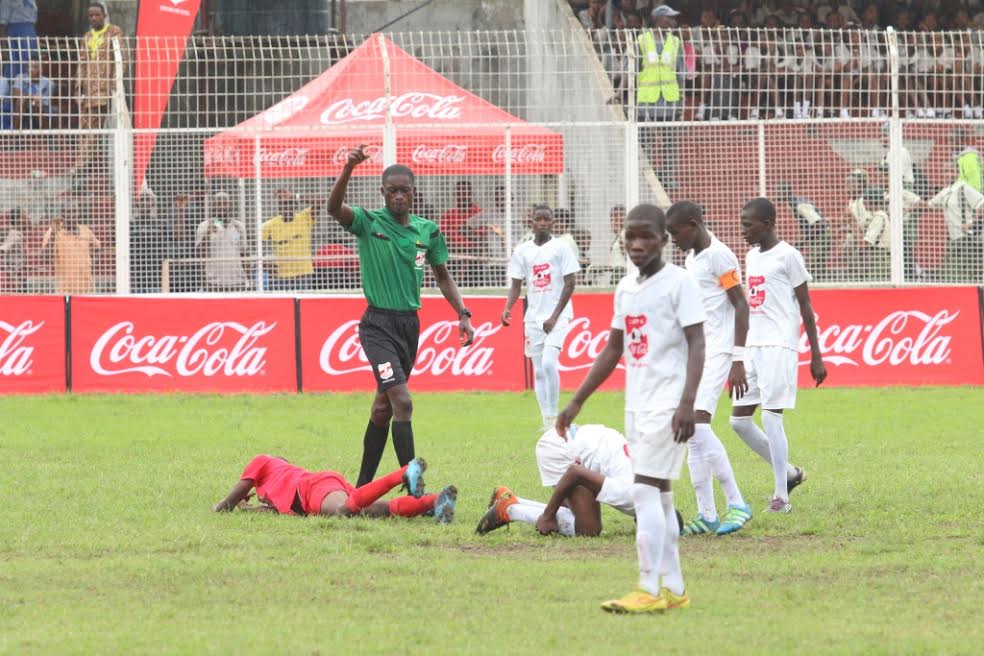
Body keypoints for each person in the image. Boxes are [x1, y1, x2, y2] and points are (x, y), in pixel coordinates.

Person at [557, 203, 705, 614]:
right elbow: (614, 348)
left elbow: (698, 342)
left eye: (647, 236)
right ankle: (674, 590)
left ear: (664, 238)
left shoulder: (680, 284)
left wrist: (688, 402)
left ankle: (648, 588)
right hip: (638, 407)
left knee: (642, 493)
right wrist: (576, 400)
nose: (637, 244)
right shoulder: (626, 288)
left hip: (669, 405)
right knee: (657, 499)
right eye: (631, 236)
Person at [327, 146, 474, 488]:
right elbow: (333, 209)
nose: (397, 195)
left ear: (413, 192)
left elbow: (442, 275)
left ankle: (361, 489)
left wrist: (462, 313)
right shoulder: (369, 223)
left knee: (382, 408)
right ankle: (415, 488)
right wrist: (349, 167)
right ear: (382, 192)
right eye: (390, 190)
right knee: (402, 402)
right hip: (377, 325)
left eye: (403, 189)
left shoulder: (428, 232)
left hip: (409, 327)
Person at [730, 197, 825, 514]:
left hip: (779, 347)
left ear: (767, 224)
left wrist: (816, 356)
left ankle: (781, 496)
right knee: (738, 422)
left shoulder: (789, 256)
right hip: (755, 347)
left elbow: (807, 309)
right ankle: (790, 472)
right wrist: (740, 354)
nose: (743, 230)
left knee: (771, 417)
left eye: (748, 225)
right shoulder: (751, 256)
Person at [665, 201, 752, 536]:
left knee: (698, 425)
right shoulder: (692, 258)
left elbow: (740, 305)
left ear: (693, 224)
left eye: (676, 232)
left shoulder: (720, 255)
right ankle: (708, 514)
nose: (673, 240)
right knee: (689, 432)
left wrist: (738, 358)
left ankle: (738, 504)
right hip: (699, 350)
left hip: (719, 350)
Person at [475, 423, 635, 537]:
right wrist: (548, 515)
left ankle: (510, 499)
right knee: (588, 528)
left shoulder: (650, 487)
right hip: (561, 450)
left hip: (579, 438)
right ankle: (509, 509)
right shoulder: (629, 494)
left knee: (575, 514)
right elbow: (575, 473)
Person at [502, 205, 580, 429]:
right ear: (532, 222)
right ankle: (546, 419)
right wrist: (508, 307)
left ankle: (554, 415)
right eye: (539, 219)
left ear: (553, 222)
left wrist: (555, 316)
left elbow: (570, 282)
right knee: (538, 371)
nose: (543, 223)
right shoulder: (522, 251)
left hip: (558, 316)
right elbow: (516, 284)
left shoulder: (561, 248)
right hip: (533, 318)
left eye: (547, 219)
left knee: (548, 364)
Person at [213, 454, 457, 523]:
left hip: (313, 488)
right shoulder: (275, 486)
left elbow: (230, 499)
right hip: (321, 488)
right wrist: (250, 509)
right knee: (374, 511)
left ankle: (403, 472)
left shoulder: (264, 461)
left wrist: (224, 505)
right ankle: (435, 501)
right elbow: (281, 509)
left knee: (343, 512)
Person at [637, 4, 685, 190]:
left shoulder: (675, 42)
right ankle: (647, 176)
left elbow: (680, 73)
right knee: (645, 140)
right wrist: (620, 92)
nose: (673, 21)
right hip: (646, 101)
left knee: (670, 141)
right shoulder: (642, 40)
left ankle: (667, 178)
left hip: (669, 100)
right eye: (669, 18)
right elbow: (630, 68)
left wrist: (682, 100)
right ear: (658, 19)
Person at [75, 2, 125, 166]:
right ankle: (88, 163)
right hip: (89, 89)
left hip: (106, 90)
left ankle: (80, 165)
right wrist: (78, 86)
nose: (94, 18)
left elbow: (121, 59)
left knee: (94, 127)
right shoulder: (87, 37)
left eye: (97, 15)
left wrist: (114, 84)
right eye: (91, 16)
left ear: (104, 15)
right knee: (86, 127)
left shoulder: (114, 32)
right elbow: (82, 63)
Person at [261, 189, 319, 291]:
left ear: (295, 206)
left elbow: (319, 201)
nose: (287, 206)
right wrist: (266, 262)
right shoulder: (270, 224)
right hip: (280, 276)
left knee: (302, 304)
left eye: (290, 203)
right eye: (283, 204)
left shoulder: (305, 217)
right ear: (279, 208)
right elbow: (255, 243)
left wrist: (294, 195)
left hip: (303, 274)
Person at [41, 201, 102, 294]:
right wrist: (53, 234)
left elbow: (98, 248)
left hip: (87, 287)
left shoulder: (86, 230)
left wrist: (90, 263)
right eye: (68, 212)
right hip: (64, 289)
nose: (71, 215)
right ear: (62, 214)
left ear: (78, 213)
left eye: (74, 211)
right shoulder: (53, 232)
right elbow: (45, 258)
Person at [774, 181, 831, 279]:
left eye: (778, 191)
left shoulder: (799, 204)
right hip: (817, 236)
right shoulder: (792, 203)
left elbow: (817, 222)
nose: (776, 193)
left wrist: (804, 239)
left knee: (813, 266)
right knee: (817, 265)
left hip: (822, 235)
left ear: (785, 192)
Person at [195, 191, 249, 293]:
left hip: (237, 283)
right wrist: (207, 234)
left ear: (231, 205)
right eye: (218, 203)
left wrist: (250, 281)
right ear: (213, 206)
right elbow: (199, 255)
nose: (222, 206)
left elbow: (244, 254)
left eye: (225, 203)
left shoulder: (239, 226)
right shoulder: (205, 226)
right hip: (213, 284)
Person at [439, 180, 482, 286]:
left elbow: (481, 237)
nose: (463, 195)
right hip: (453, 256)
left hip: (474, 258)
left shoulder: (478, 213)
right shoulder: (448, 215)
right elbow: (443, 237)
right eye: (460, 192)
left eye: (465, 192)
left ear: (470, 193)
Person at [129, 187, 168, 293]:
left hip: (156, 278)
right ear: (137, 204)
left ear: (153, 203)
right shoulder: (131, 225)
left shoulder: (161, 224)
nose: (145, 202)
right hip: (136, 279)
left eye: (148, 199)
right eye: (142, 199)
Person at [10, 56, 51, 129]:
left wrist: (34, 100)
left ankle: (45, 135)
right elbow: (16, 93)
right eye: (29, 67)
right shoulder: (20, 77)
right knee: (21, 101)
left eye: (34, 67)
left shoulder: (48, 83)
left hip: (39, 107)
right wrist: (31, 96)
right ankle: (15, 135)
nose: (30, 69)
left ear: (40, 69)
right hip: (23, 106)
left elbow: (45, 102)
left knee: (37, 105)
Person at [0, 0, 38, 79]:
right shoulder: (7, 1)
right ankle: (12, 87)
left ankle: (28, 86)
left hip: (29, 31)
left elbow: (34, 17)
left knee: (30, 60)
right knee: (12, 62)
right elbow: (2, 24)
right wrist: (3, 47)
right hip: (13, 30)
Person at [0, 209, 27, 293]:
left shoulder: (17, 233)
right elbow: (3, 249)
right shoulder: (14, 235)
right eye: (23, 217)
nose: (26, 219)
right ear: (18, 220)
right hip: (14, 272)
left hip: (19, 270)